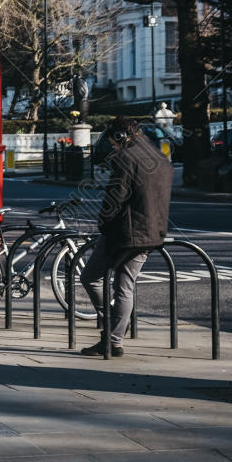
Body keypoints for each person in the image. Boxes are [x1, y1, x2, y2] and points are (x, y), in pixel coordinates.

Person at [80, 116, 172, 357]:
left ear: (121, 137)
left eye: (113, 142)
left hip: (124, 233)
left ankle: (112, 325)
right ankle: (114, 339)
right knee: (124, 286)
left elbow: (115, 198)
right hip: (153, 232)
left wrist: (102, 223)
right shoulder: (160, 159)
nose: (113, 146)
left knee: (91, 277)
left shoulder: (124, 158)